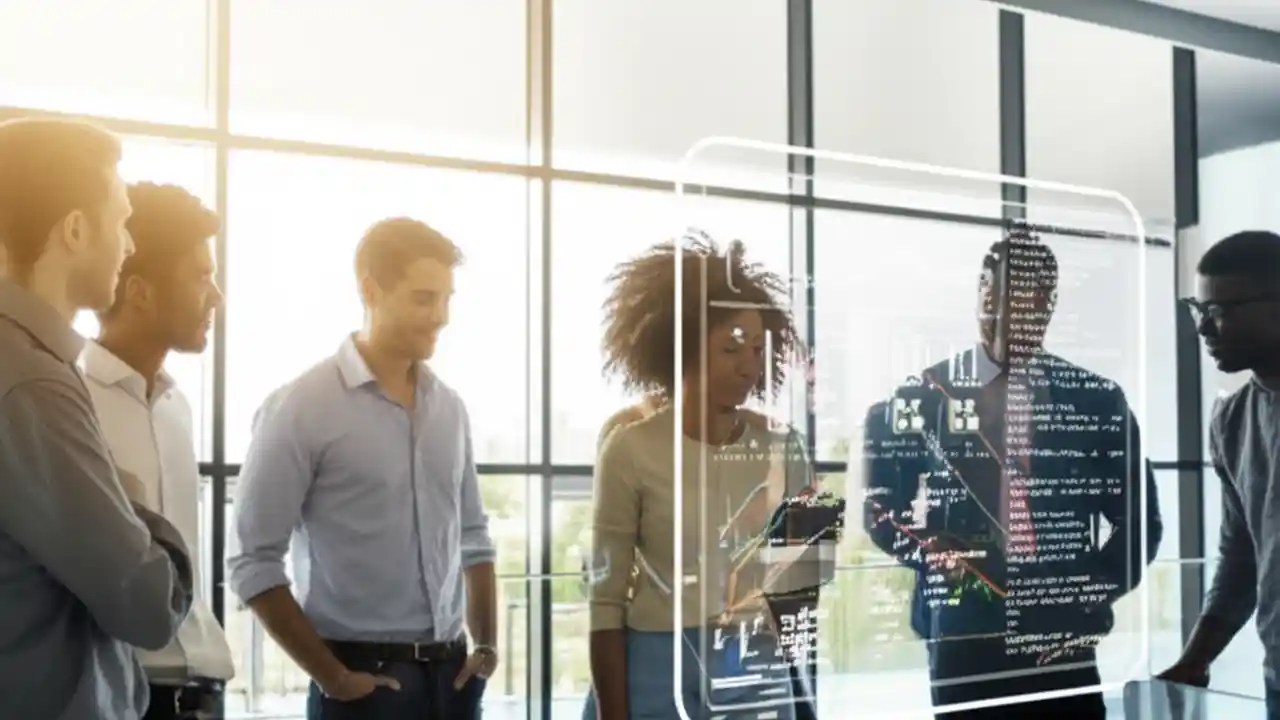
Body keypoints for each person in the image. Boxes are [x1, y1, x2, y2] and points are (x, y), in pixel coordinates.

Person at [862, 227, 1162, 719]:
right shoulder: (924, 394)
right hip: (964, 633)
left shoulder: (1096, 399)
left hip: (1062, 633)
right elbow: (880, 510)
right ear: (980, 295)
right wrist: (932, 555)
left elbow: (1140, 522)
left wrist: (1086, 595)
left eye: (1029, 305)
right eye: (997, 302)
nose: (1008, 321)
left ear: (1049, 304)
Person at [227, 217, 497, 720]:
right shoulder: (301, 407)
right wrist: (333, 678)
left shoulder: (450, 409)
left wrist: (486, 646)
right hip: (360, 684)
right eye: (424, 298)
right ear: (371, 291)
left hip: (454, 678)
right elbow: (252, 560)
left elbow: (475, 537)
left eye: (447, 298)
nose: (441, 316)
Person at [0, 117, 194, 719]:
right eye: (122, 220)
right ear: (77, 229)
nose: (130, 245)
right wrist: (134, 504)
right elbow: (147, 605)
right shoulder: (32, 385)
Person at [584, 233, 824, 720]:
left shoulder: (785, 446)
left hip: (753, 660)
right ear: (686, 348)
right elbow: (605, 603)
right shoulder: (630, 448)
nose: (749, 366)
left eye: (757, 350)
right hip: (655, 664)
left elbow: (805, 577)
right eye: (732, 349)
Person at [79, 182, 235, 719]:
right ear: (140, 292)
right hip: (124, 694)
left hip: (202, 691)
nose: (216, 297)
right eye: (201, 277)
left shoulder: (175, 406)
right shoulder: (71, 402)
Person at [1156, 230, 1280, 716]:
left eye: (1219, 311)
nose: (1203, 328)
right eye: (1198, 309)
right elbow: (1242, 557)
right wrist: (1195, 659)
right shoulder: (1230, 421)